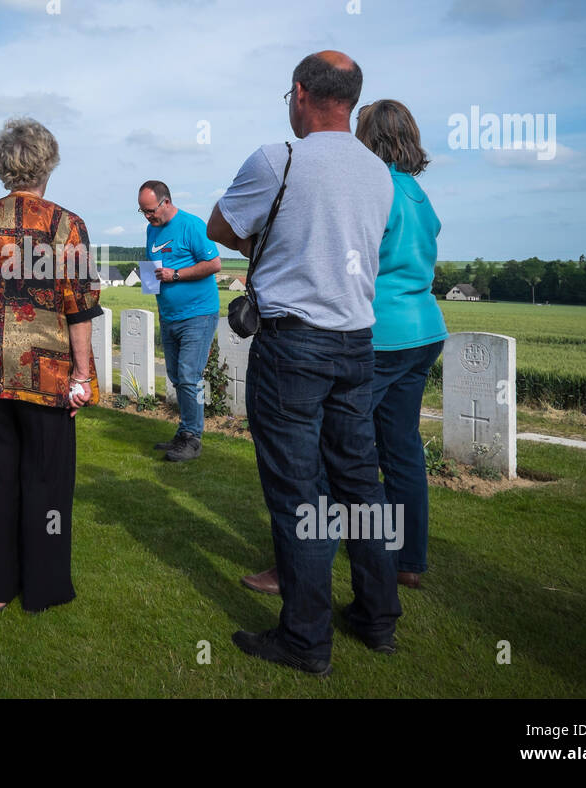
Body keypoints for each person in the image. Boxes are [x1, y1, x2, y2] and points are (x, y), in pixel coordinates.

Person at [207, 50, 399, 676]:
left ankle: (306, 639)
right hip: (357, 342)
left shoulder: (278, 158)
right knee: (359, 487)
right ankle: (376, 618)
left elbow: (220, 225)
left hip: (294, 343)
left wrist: (262, 240)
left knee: (298, 495)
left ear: (299, 94)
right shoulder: (379, 172)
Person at [0, 118, 101, 612]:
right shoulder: (67, 225)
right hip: (47, 369)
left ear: (3, 165)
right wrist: (84, 376)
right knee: (47, 480)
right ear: (48, 162)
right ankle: (43, 588)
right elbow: (80, 307)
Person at [357, 99, 448, 589]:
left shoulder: (376, 190)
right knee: (402, 448)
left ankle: (302, 559)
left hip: (382, 335)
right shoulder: (417, 193)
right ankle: (408, 560)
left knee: (341, 445)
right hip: (424, 331)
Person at [137, 180, 222, 462]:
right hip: (170, 315)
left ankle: (193, 438)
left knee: (189, 376)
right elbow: (156, 269)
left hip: (198, 313)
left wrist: (175, 275)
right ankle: (185, 431)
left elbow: (214, 264)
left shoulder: (192, 225)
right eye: (143, 212)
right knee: (176, 376)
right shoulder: (152, 230)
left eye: (150, 210)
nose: (148, 216)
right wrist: (151, 281)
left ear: (166, 202)